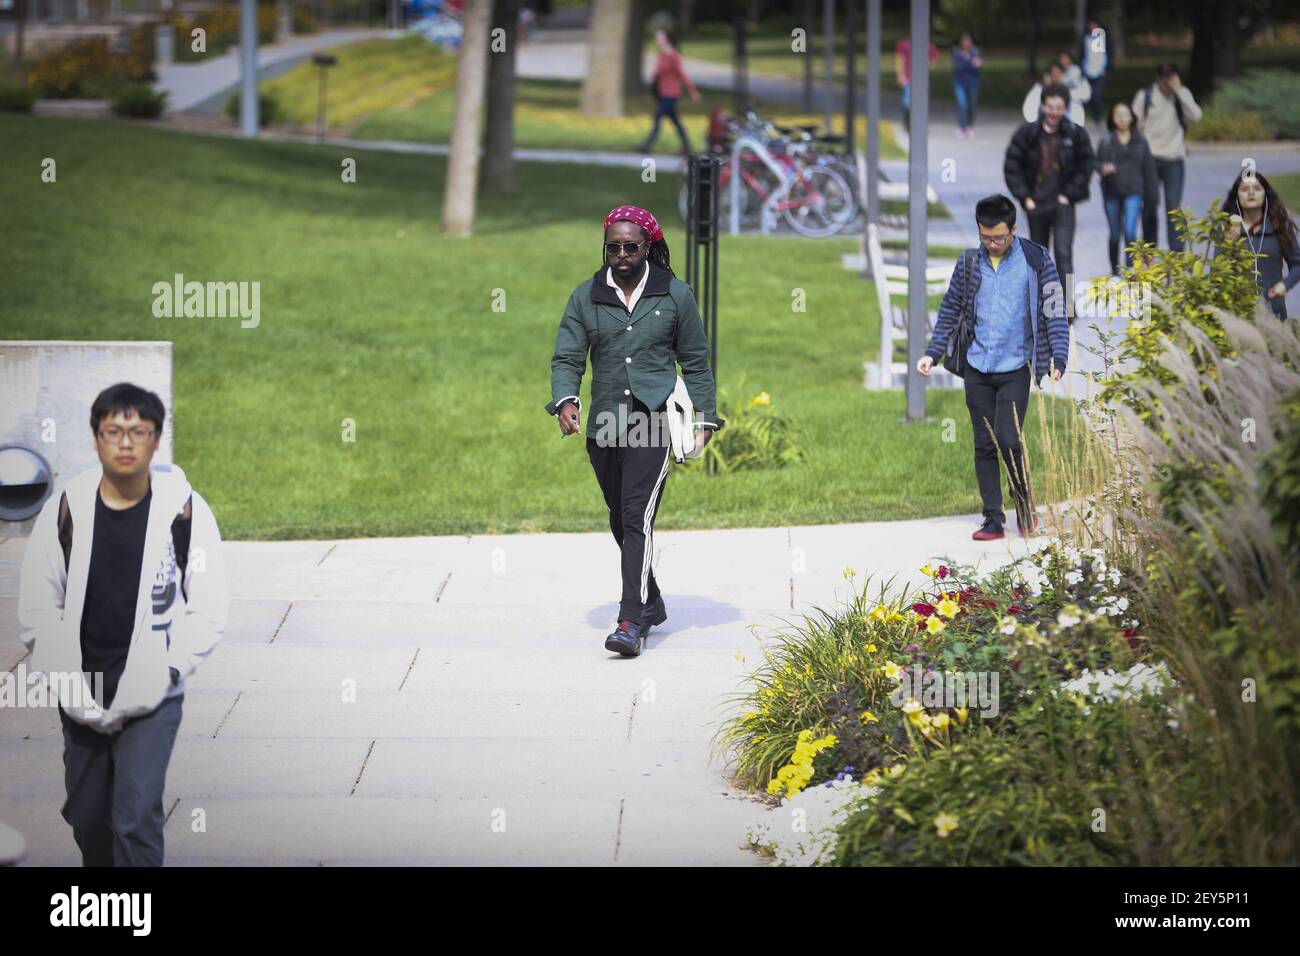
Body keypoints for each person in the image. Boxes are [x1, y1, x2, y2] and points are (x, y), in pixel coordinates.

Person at [17, 383, 228, 866]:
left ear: (156, 440)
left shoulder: (185, 510)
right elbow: (38, 606)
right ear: (96, 440)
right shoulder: (66, 509)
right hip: (83, 685)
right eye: (114, 431)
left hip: (154, 694)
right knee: (89, 817)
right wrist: (64, 676)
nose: (127, 442)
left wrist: (170, 670)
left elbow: (208, 606)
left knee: (135, 818)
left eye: (139, 431)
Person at [546, 205, 722, 657]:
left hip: (653, 418)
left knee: (636, 516)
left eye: (630, 247)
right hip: (606, 420)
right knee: (617, 516)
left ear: (648, 248)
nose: (621, 255)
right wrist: (566, 400)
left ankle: (630, 620)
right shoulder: (586, 296)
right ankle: (653, 600)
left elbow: (696, 362)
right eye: (613, 248)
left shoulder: (675, 295)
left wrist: (704, 418)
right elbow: (567, 357)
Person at [917, 195, 1069, 541]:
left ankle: (1024, 503)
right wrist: (932, 352)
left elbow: (1055, 308)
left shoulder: (1036, 259)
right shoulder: (970, 262)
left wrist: (1058, 355)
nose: (993, 244)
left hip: (1015, 366)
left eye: (999, 237)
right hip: (978, 367)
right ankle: (992, 519)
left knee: (1009, 438)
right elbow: (950, 309)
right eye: (986, 237)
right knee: (984, 443)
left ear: (1014, 229)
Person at [1004, 82, 1095, 305]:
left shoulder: (1075, 134)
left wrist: (1069, 194)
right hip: (1037, 204)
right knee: (1038, 258)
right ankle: (1040, 305)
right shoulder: (1027, 134)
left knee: (1064, 254)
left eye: (1059, 107)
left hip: (1063, 204)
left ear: (1065, 108)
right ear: (1043, 106)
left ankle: (1067, 305)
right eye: (1050, 106)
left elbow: (1086, 166)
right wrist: (1025, 197)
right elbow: (1012, 166)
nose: (1054, 112)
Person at [1132, 63, 1203, 252]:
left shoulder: (1181, 95)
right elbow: (1133, 126)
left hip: (1174, 159)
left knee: (1173, 206)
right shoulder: (1145, 96)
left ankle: (1177, 252)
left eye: (1171, 78)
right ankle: (1149, 249)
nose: (1167, 83)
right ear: (1157, 78)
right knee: (1149, 205)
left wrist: (1179, 91)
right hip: (1150, 160)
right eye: (1164, 79)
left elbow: (1196, 116)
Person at [1221, 170, 1300, 319]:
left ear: (1265, 194)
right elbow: (1217, 274)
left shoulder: (1280, 226)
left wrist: (1284, 285)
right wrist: (1229, 245)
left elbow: (1297, 264)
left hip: (1274, 313)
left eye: (1257, 189)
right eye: (1245, 189)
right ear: (1236, 196)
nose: (1251, 193)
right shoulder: (1227, 229)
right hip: (1238, 315)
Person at [1095, 101, 1157, 274]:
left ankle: (1130, 270)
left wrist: (1152, 196)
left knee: (1130, 232)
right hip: (1112, 192)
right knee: (1115, 234)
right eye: (1118, 115)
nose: (1122, 119)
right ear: (1112, 118)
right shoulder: (1107, 140)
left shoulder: (1141, 140)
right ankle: (1115, 271)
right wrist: (1102, 169)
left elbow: (1149, 169)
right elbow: (1096, 162)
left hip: (1134, 192)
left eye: (1125, 115)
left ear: (1132, 117)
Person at [639, 29, 701, 156]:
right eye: (656, 38)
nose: (657, 40)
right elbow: (658, 73)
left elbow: (682, 74)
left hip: (672, 94)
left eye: (659, 38)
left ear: (667, 39)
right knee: (675, 121)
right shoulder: (661, 55)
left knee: (657, 117)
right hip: (662, 94)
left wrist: (692, 91)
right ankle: (687, 147)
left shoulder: (674, 56)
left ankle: (647, 145)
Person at [1022, 61, 1089, 127]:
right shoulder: (1039, 88)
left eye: (1058, 73)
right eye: (1053, 73)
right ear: (1049, 75)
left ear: (1063, 74)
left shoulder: (1071, 89)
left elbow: (1085, 97)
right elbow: (1029, 108)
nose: (1056, 76)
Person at [895, 35, 939, 133]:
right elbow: (899, 59)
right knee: (907, 102)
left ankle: (920, 124)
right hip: (907, 77)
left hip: (921, 79)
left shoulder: (928, 46)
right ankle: (908, 124)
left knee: (922, 102)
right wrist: (900, 75)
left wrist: (927, 67)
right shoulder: (904, 45)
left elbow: (933, 59)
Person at [952, 32, 982, 139]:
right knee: (962, 104)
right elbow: (958, 68)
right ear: (961, 43)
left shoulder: (976, 52)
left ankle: (969, 127)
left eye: (968, 41)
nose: (966, 43)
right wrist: (970, 63)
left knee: (971, 106)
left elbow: (978, 67)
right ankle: (961, 127)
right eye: (964, 41)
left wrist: (968, 63)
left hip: (972, 83)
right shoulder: (957, 53)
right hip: (960, 84)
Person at [1080, 17, 1109, 127]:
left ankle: (1099, 116)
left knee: (1097, 95)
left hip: (1100, 72)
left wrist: (1106, 67)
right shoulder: (1085, 39)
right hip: (1088, 71)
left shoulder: (1103, 38)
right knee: (1091, 96)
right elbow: (1083, 55)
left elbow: (1107, 55)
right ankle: (1095, 117)